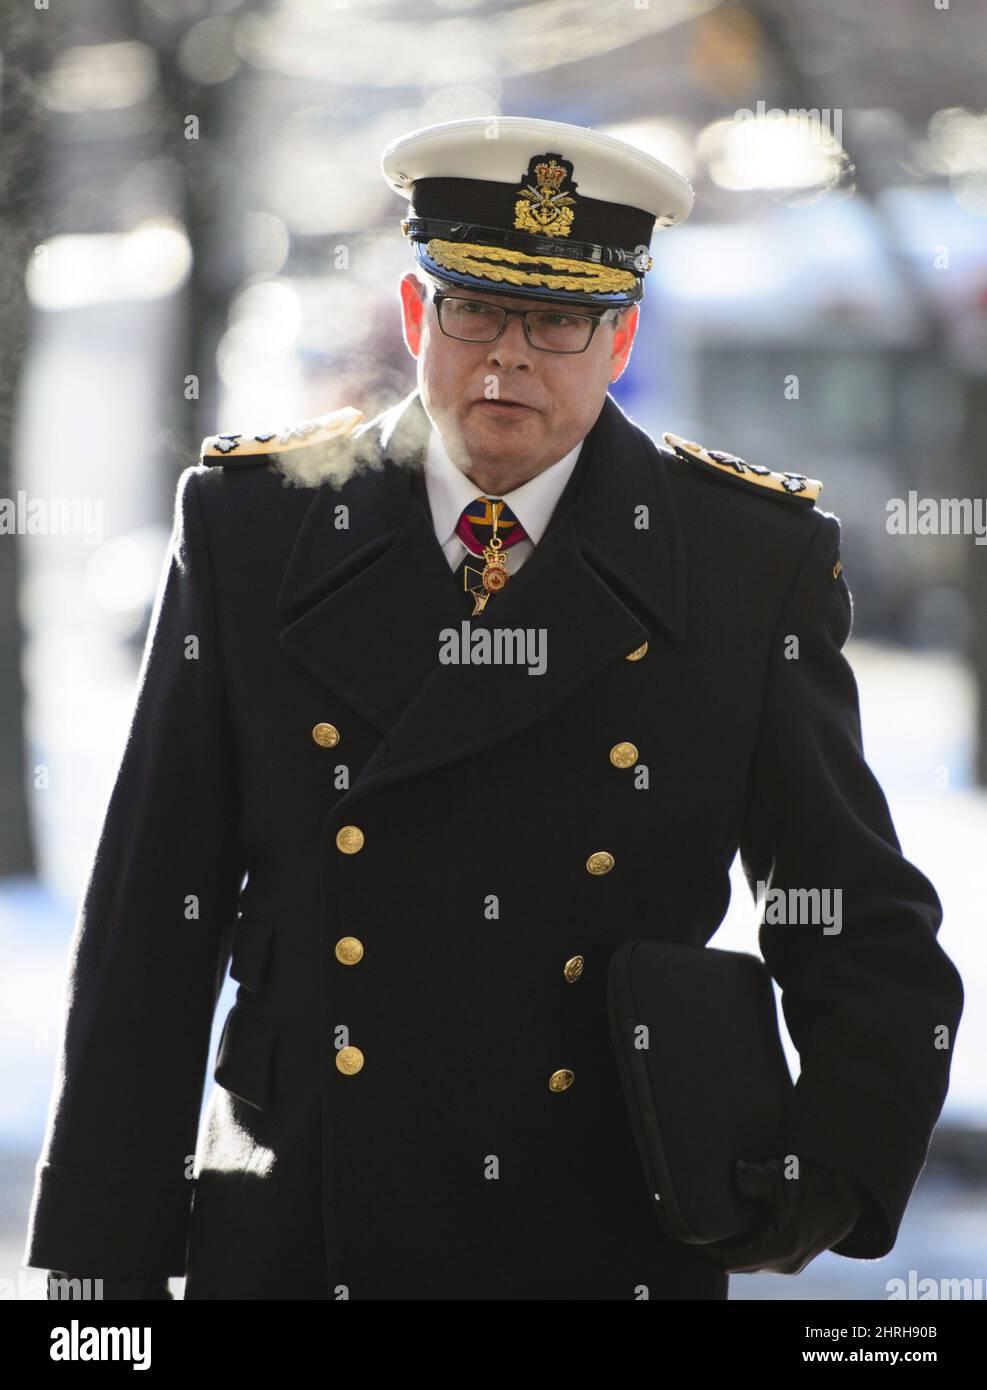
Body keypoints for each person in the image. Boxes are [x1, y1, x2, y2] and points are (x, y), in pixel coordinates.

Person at [28, 116, 963, 1301]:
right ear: (419, 320)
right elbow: (152, 915)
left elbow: (856, 910)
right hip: (299, 1213)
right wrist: (95, 1262)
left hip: (603, 1224)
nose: (506, 359)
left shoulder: (741, 563)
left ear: (620, 339)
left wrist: (827, 1169)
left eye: (559, 320)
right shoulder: (252, 530)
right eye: (472, 309)